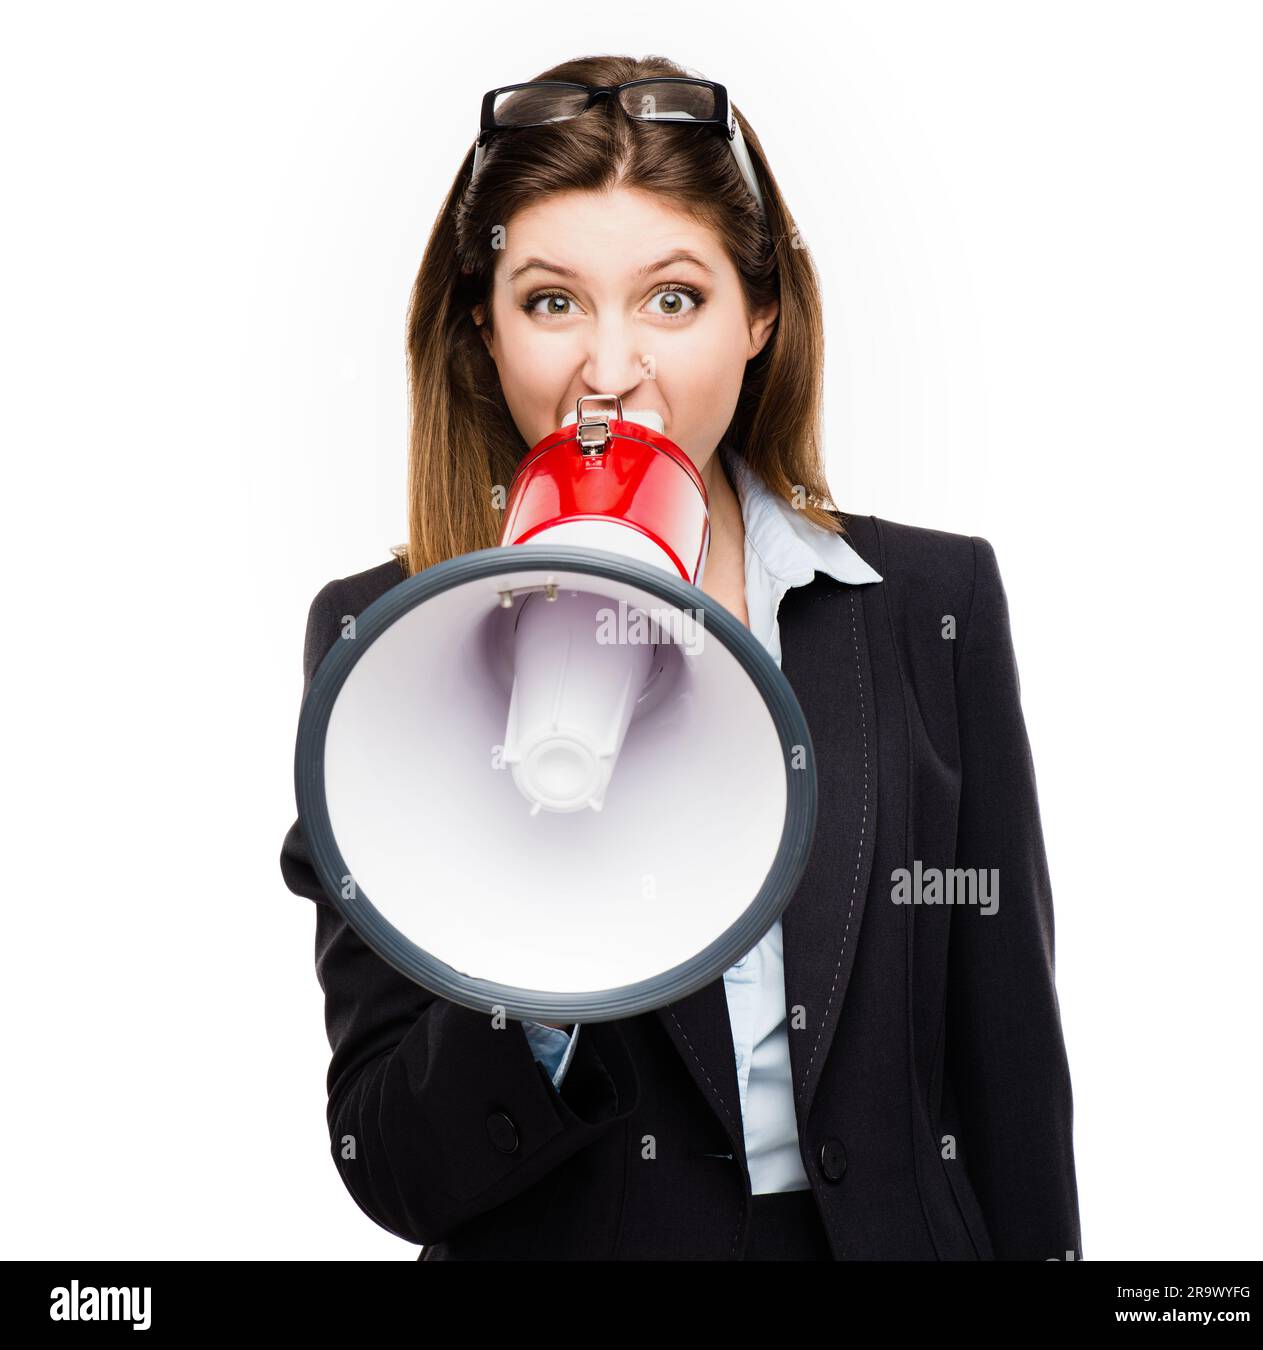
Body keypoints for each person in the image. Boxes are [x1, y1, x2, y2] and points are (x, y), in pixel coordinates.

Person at [279, 53, 1082, 1261]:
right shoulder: (385, 643)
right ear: (483, 333)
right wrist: (533, 918)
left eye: (672, 298)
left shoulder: (925, 602)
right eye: (551, 301)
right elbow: (389, 1161)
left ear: (760, 314)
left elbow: (1010, 1074)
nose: (610, 372)